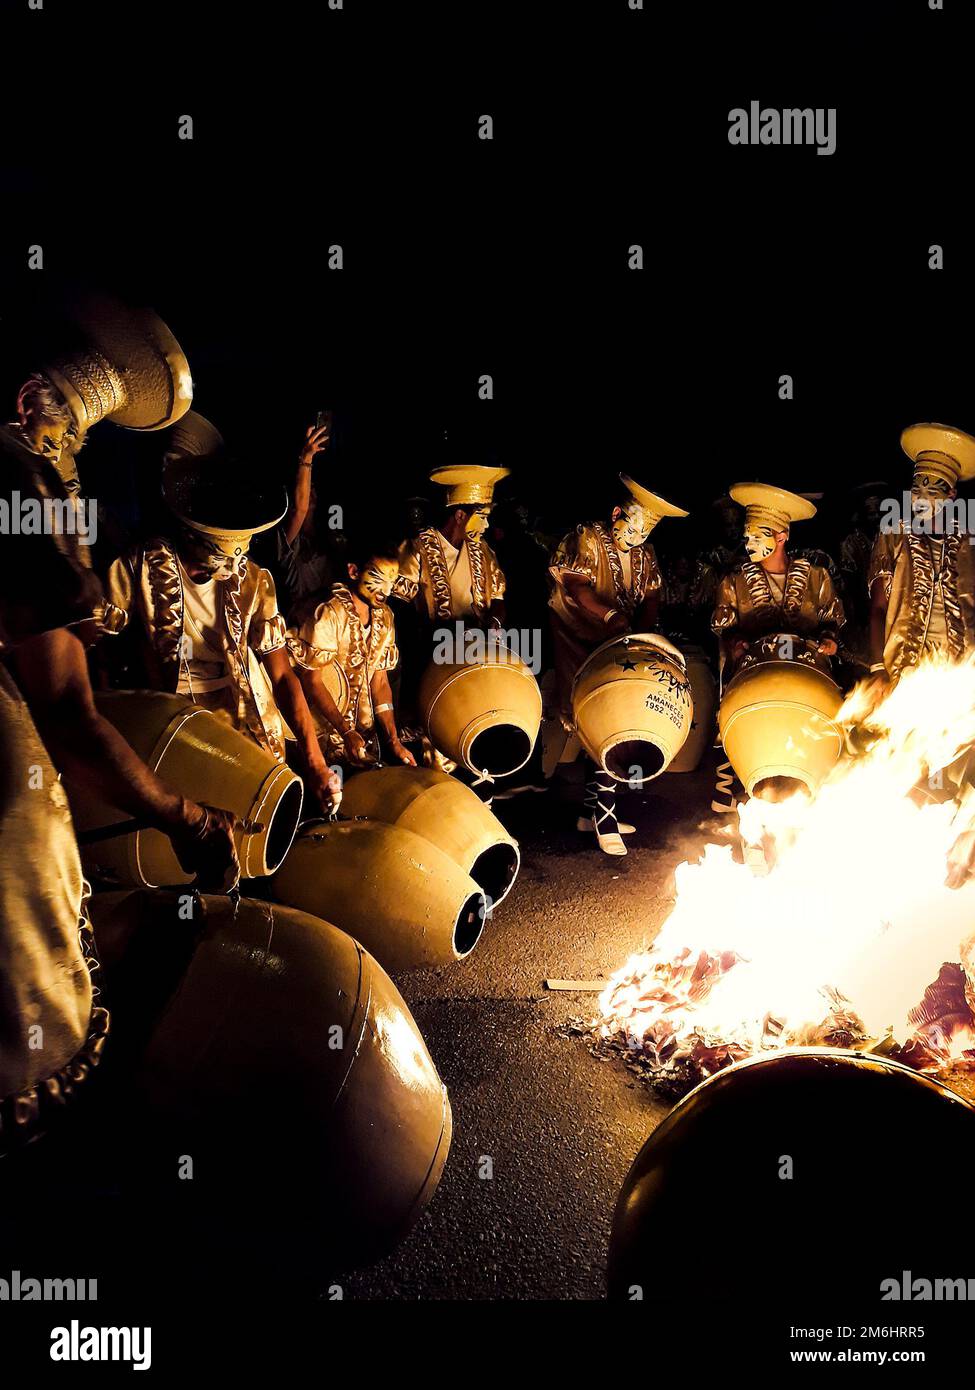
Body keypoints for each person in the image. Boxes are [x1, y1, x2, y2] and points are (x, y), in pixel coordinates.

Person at [0, 332, 237, 1155]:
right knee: (28, 1017)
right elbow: (68, 712)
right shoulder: (21, 483)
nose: (69, 454)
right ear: (31, 403)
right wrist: (184, 815)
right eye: (69, 431)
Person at [103, 433, 338, 812]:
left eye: (240, 555)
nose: (232, 569)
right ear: (190, 535)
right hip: (172, 726)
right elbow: (97, 650)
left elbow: (281, 676)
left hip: (246, 720)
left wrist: (314, 760)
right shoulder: (137, 569)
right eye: (221, 556)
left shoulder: (254, 581)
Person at [548, 473, 688, 855]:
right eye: (632, 530)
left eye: (644, 535)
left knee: (622, 715)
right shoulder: (588, 537)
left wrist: (637, 637)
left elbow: (653, 596)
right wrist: (610, 617)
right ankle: (604, 815)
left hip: (618, 644)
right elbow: (576, 586)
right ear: (616, 514)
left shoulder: (644, 553)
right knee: (607, 718)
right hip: (581, 640)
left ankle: (591, 811)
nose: (636, 540)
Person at [289, 537, 416, 773]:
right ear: (354, 571)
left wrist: (393, 741)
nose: (387, 590)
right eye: (379, 578)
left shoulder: (385, 617)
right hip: (322, 738)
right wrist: (346, 731)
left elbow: (379, 682)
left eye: (392, 580)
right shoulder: (329, 613)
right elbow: (311, 680)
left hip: (362, 737)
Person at [868, 424, 975, 689]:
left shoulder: (968, 542)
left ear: (951, 495)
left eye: (932, 492)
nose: (921, 500)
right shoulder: (894, 533)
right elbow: (879, 607)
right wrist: (878, 668)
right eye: (917, 490)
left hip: (958, 676)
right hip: (902, 673)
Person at [711, 482, 845, 677]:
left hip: (809, 675)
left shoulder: (816, 577)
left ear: (781, 538)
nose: (749, 544)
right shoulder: (734, 582)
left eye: (757, 537)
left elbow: (831, 622)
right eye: (747, 537)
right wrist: (736, 643)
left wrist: (829, 638)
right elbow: (725, 632)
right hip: (754, 676)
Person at [394, 464, 509, 629]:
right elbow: (399, 604)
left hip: (478, 646)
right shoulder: (418, 547)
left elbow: (498, 598)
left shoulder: (482, 550)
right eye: (482, 517)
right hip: (434, 647)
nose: (487, 525)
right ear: (460, 515)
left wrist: (494, 621)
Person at [251, 417, 333, 623]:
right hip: (301, 625)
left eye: (313, 488)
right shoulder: (287, 542)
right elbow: (300, 509)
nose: (310, 492)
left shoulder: (327, 537)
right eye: (306, 488)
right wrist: (306, 459)